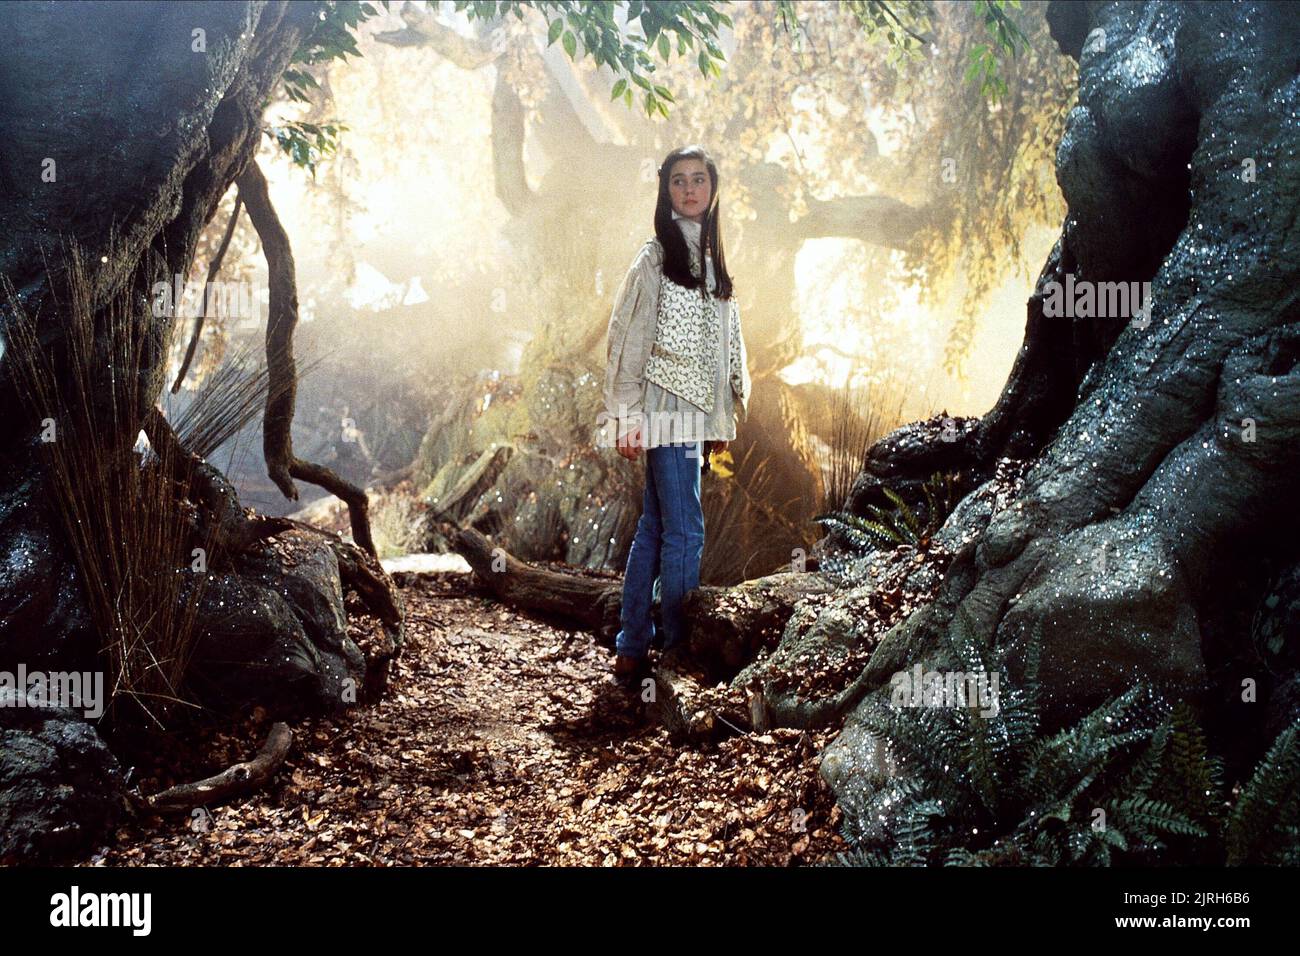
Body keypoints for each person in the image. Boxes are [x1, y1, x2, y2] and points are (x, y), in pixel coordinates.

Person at [600, 144, 752, 689]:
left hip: (695, 417)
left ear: (713, 190)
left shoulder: (713, 259)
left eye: (699, 180)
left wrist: (718, 423)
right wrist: (625, 416)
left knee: (657, 526)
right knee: (685, 530)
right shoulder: (655, 257)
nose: (690, 190)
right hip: (664, 414)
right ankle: (677, 649)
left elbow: (723, 347)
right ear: (666, 192)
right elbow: (628, 339)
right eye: (679, 182)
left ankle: (632, 646)